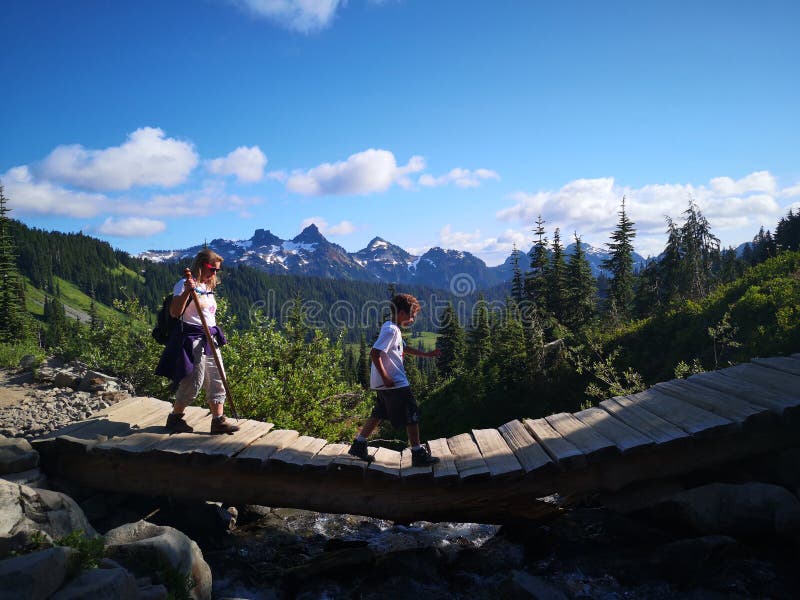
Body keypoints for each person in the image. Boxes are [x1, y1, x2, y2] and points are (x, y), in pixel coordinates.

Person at [348, 293, 441, 467]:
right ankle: (417, 453)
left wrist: (428, 354)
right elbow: (375, 353)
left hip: (385, 384)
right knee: (411, 414)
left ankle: (359, 445)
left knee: (379, 413)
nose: (413, 319)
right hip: (394, 383)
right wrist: (386, 377)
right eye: (411, 314)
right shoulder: (391, 330)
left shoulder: (392, 328)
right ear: (401, 313)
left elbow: (404, 348)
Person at [156, 249, 240, 435]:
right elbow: (175, 312)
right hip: (193, 339)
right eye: (212, 268)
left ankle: (218, 421)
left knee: (218, 379)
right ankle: (175, 418)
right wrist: (187, 291)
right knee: (194, 382)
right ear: (201, 265)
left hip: (210, 339)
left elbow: (209, 314)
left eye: (217, 270)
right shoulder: (183, 284)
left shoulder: (207, 288)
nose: (214, 273)